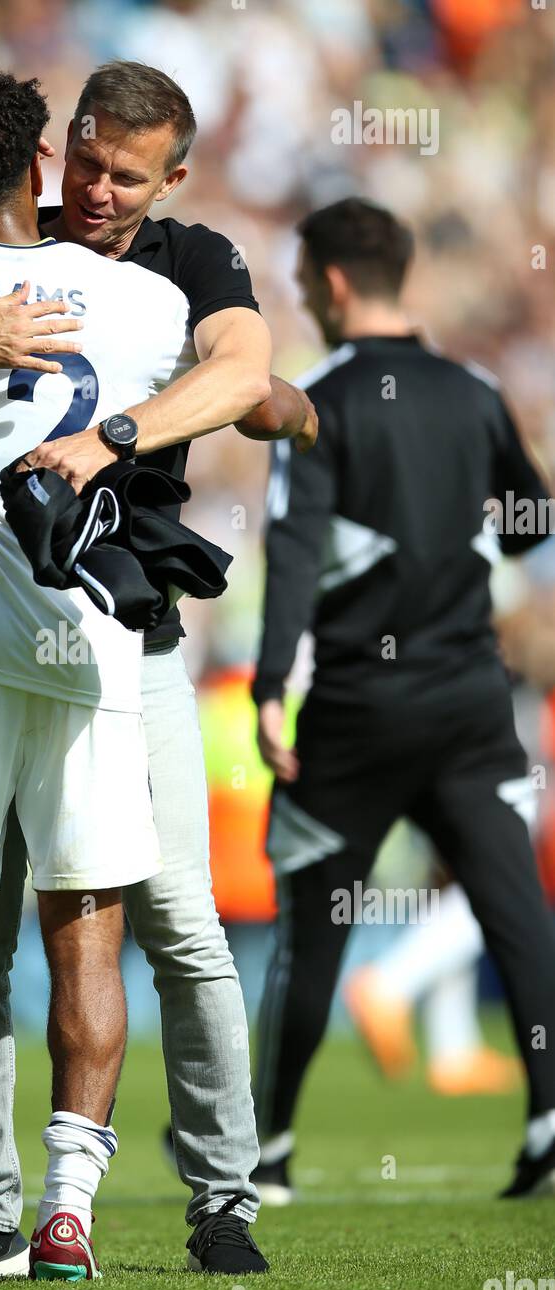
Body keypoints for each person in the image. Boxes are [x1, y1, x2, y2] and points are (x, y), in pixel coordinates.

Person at [0, 59, 317, 1278]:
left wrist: (115, 435)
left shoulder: (185, 262)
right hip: (69, 652)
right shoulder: (82, 273)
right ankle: (3, 1208)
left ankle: (220, 1194)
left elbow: (254, 381)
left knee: (175, 924)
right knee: (7, 932)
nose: (97, 190)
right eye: (82, 161)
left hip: (115, 639)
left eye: (125, 175)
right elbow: (261, 394)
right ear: (56, 153)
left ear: (174, 178)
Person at [250, 196, 555, 1204]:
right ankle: (551, 1121)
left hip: (355, 708)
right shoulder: (473, 391)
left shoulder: (315, 399)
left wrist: (269, 685)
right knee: (517, 911)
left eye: (303, 285)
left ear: (332, 284)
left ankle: (271, 1148)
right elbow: (529, 521)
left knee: (311, 928)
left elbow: (292, 551)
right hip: (470, 701)